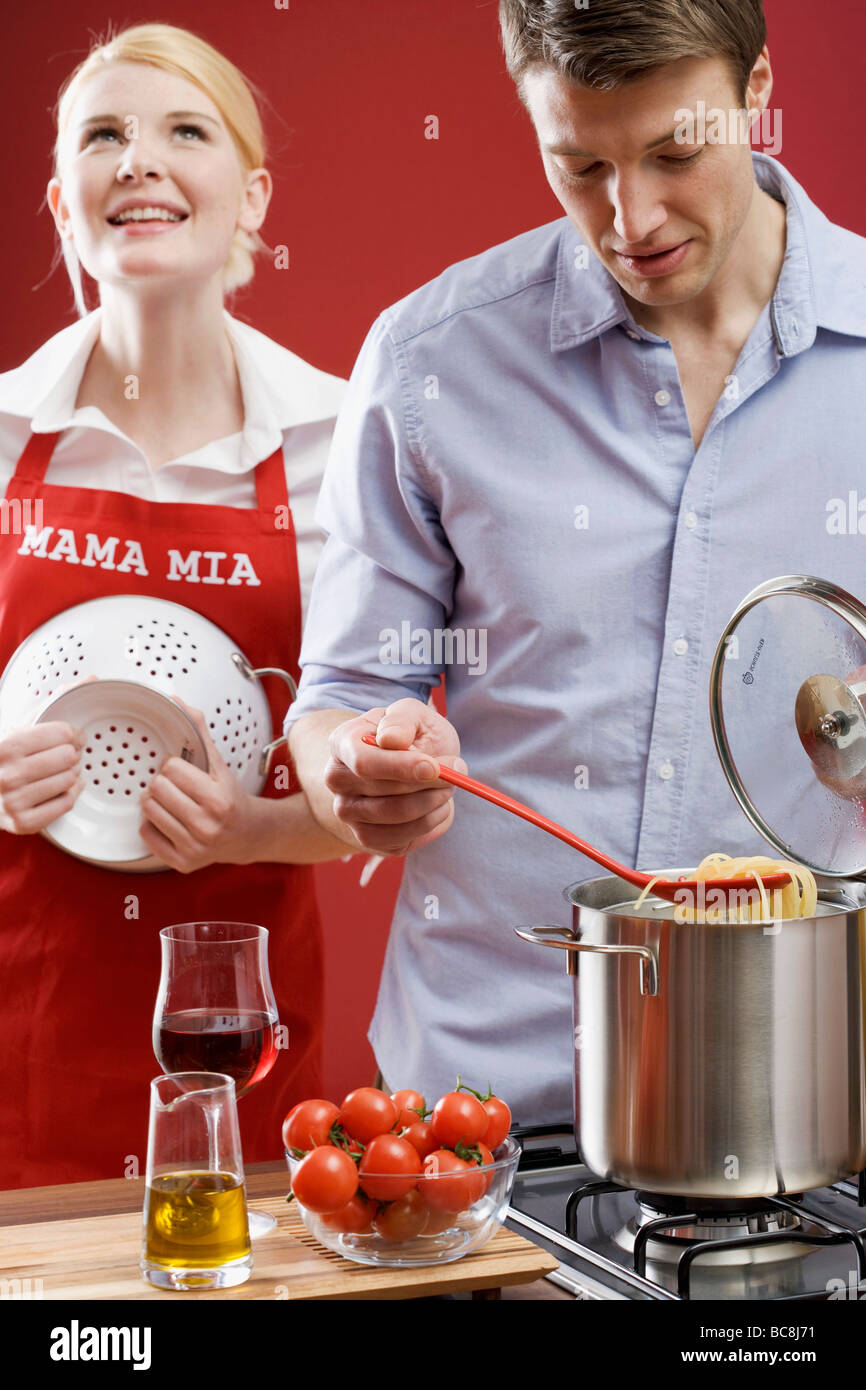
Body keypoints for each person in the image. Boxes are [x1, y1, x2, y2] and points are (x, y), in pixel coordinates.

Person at [286, 0, 866, 1126]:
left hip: (805, 1093)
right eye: (580, 165)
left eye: (672, 154)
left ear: (755, 93)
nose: (630, 217)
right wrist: (359, 764)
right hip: (478, 1111)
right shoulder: (427, 362)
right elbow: (344, 700)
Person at [0, 24, 350, 1190]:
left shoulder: (339, 444)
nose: (139, 160)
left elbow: (386, 792)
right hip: (20, 1045)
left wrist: (252, 831)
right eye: (105, 136)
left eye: (182, 131)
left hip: (238, 1050)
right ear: (62, 203)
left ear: (251, 200)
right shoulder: (3, 438)